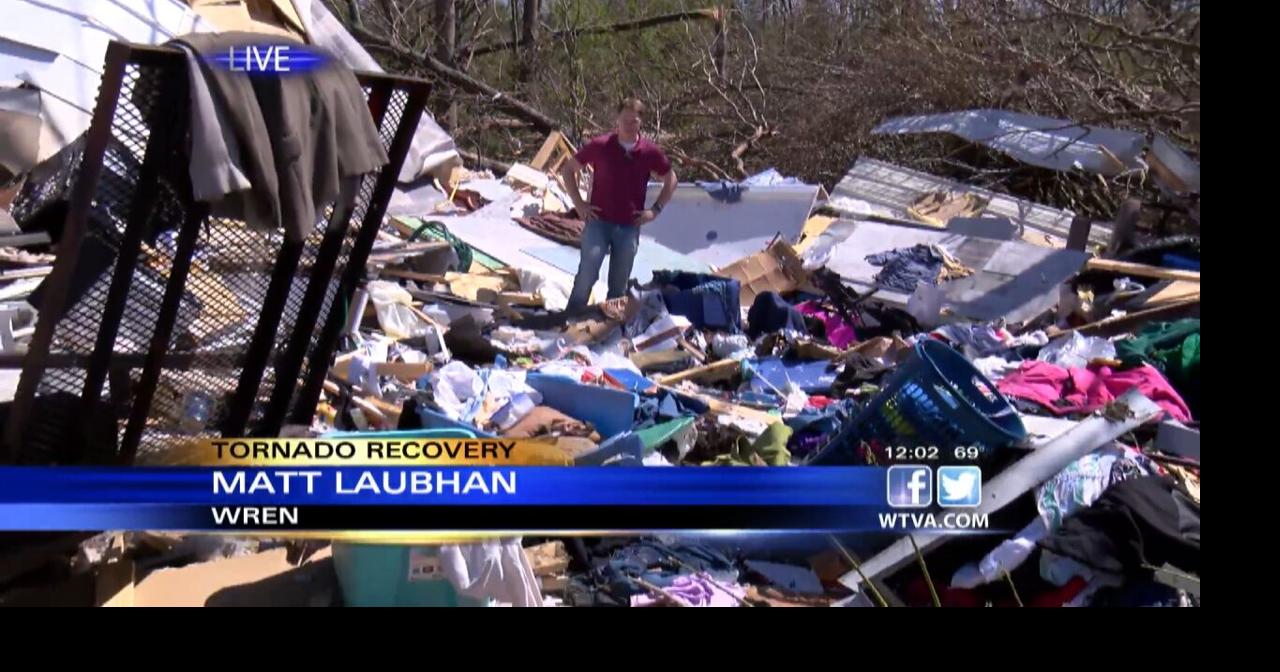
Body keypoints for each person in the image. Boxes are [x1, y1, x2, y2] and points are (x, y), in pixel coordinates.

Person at [560, 98, 678, 315]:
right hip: (598, 222)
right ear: (617, 119)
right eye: (624, 120)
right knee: (587, 275)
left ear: (641, 122)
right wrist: (579, 204)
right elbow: (568, 170)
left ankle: (610, 326)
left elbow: (671, 179)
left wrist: (655, 210)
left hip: (629, 226)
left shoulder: (649, 152)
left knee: (618, 284)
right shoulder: (601, 145)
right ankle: (571, 317)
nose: (628, 126)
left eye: (633, 121)